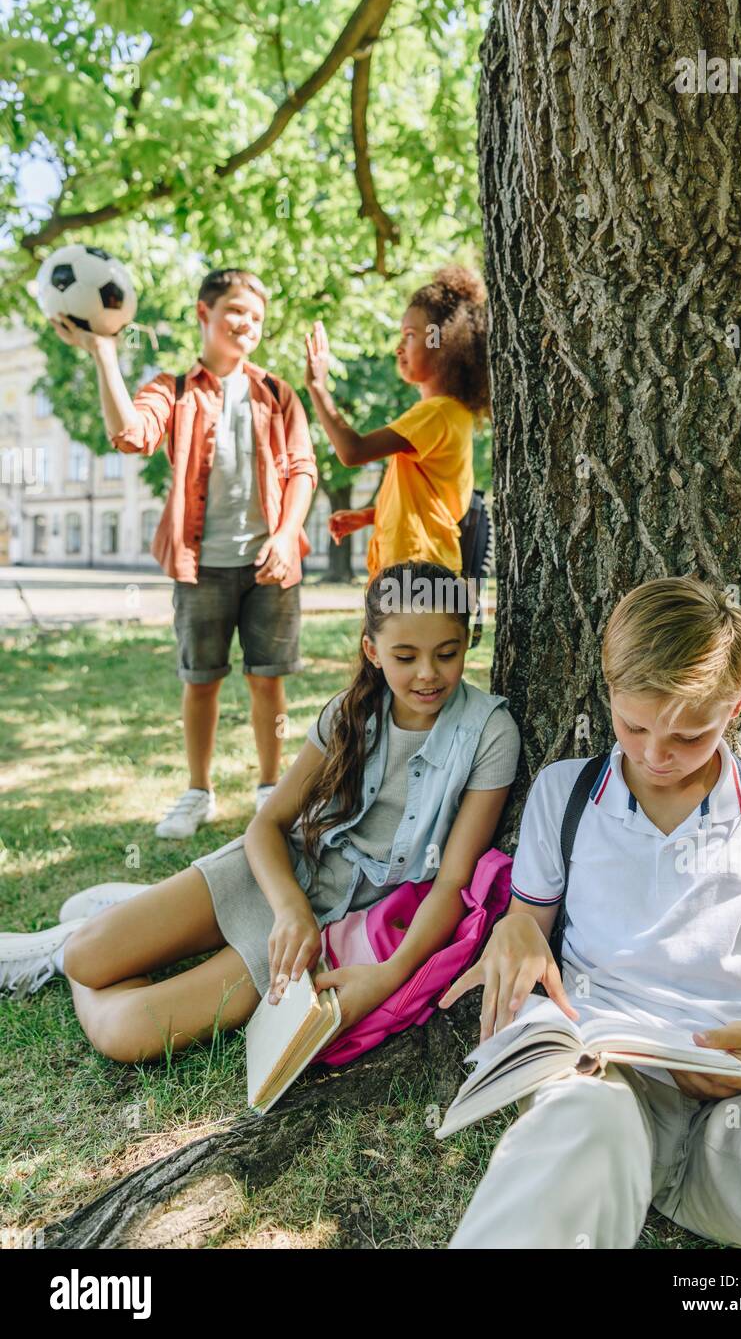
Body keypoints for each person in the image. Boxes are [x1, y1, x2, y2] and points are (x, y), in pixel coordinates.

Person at [441, 577, 741, 1250]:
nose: (651, 755)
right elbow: (529, 921)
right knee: (573, 1133)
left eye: (687, 736)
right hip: (604, 1087)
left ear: (736, 704)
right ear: (607, 689)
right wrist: (516, 929)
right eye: (632, 725)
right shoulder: (566, 795)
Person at [0, 562, 521, 1067]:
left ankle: (124, 925)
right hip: (278, 877)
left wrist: (389, 974)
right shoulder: (349, 712)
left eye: (447, 653)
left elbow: (453, 880)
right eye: (405, 656)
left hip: (335, 921)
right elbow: (266, 826)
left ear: (469, 642)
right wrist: (289, 909)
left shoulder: (490, 732)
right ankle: (95, 931)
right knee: (84, 957)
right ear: (373, 650)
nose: (428, 674)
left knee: (129, 1032)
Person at [49, 268, 318, 838]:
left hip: (272, 564)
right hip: (202, 565)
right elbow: (129, 435)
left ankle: (270, 789)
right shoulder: (171, 388)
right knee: (201, 680)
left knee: (268, 679)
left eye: (257, 317)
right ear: (205, 313)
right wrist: (103, 353)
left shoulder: (278, 393)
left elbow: (302, 469)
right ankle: (198, 791)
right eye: (236, 311)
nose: (247, 324)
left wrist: (285, 531)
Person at [304, 265, 487, 583]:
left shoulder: (436, 413)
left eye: (410, 336)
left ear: (439, 343)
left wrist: (317, 387)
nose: (398, 347)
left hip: (416, 575)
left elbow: (352, 451)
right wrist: (368, 516)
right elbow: (432, 505)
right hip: (425, 572)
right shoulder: (447, 413)